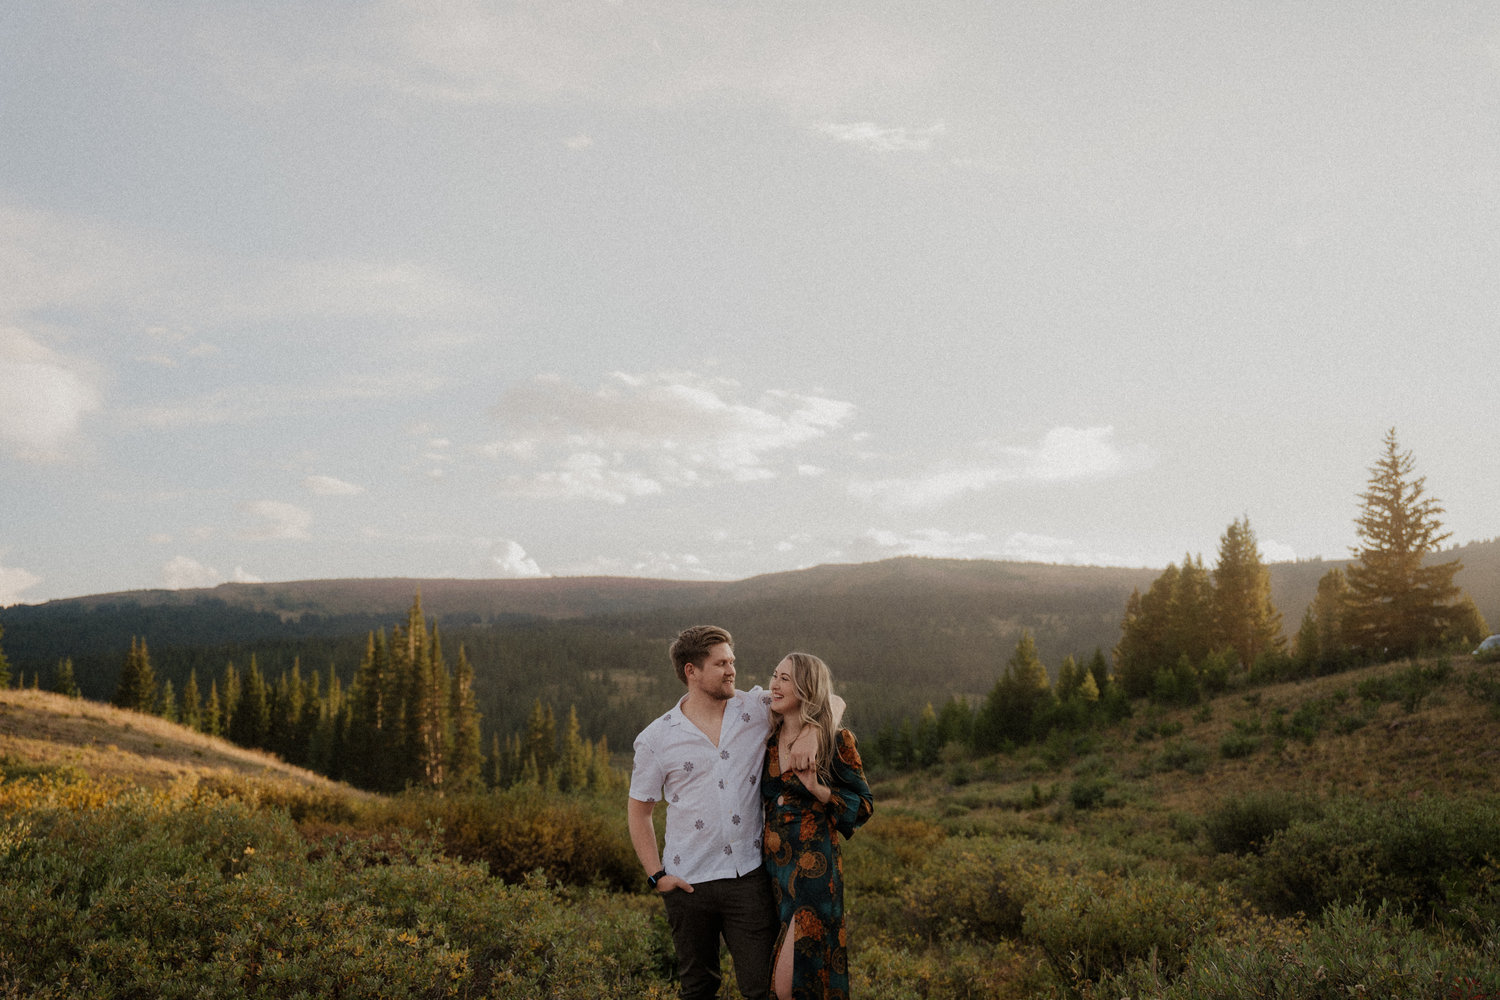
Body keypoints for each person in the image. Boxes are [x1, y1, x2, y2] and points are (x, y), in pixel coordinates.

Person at [629, 625, 827, 1000]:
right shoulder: (657, 738)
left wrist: (813, 733)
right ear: (692, 671)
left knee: (761, 988)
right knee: (698, 988)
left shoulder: (754, 708)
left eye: (732, 661)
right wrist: (657, 875)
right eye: (721, 664)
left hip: (747, 879)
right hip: (687, 884)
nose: (732, 670)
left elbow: (825, 698)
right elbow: (639, 812)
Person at [761, 652, 874, 1000]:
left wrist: (817, 789)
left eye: (785, 679)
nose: (774, 685)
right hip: (772, 875)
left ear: (807, 688)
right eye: (775, 675)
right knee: (796, 979)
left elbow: (864, 805)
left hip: (813, 873)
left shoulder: (836, 740)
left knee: (791, 983)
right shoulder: (768, 737)